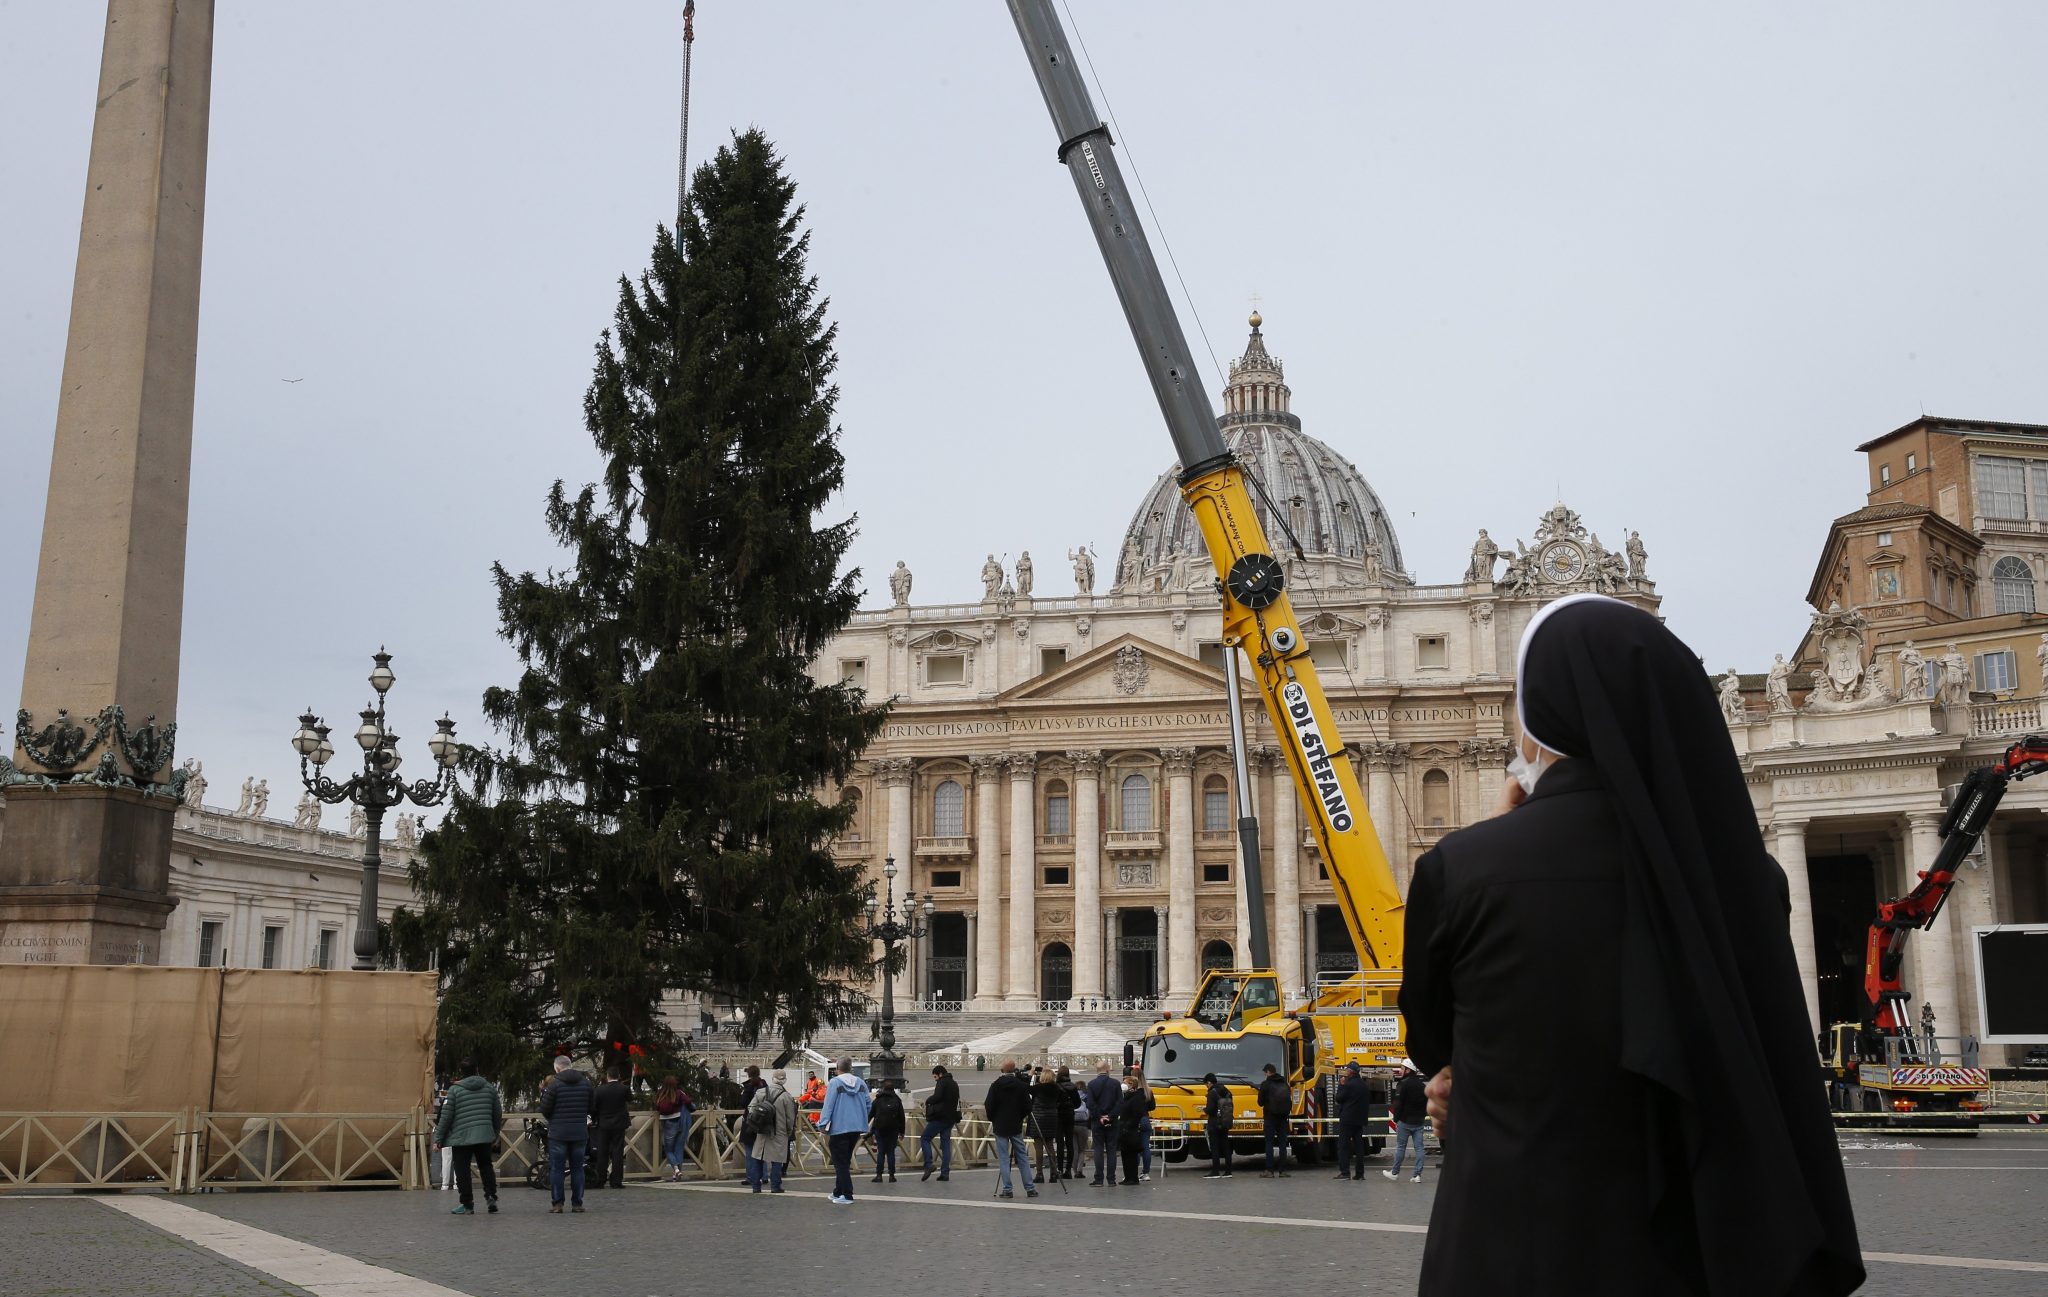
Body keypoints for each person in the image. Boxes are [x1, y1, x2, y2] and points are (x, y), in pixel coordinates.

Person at [1399, 594, 1864, 1295]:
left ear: (1542, 718)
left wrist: (1491, 838)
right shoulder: (1746, 878)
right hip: (1693, 1254)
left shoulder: (1460, 870)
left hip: (1509, 1251)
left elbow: (1433, 1043)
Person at [432, 1058, 503, 1215]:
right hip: (484, 1135)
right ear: (477, 1070)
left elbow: (446, 1117)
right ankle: (491, 1196)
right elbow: (497, 1113)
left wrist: (438, 1139)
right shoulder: (489, 1088)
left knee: (462, 1169)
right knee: (486, 1166)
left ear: (461, 1072)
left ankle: (467, 1204)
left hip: (461, 1137)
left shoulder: (455, 1090)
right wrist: (494, 1133)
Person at [537, 1056, 592, 1214]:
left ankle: (558, 1203)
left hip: (558, 1132)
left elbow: (545, 1109)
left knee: (557, 1169)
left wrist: (555, 1119)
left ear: (557, 1068)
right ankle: (577, 1203)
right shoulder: (585, 1084)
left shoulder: (554, 1085)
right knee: (577, 1169)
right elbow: (591, 1106)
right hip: (579, 1132)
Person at [817, 1057, 872, 1205]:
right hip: (856, 1127)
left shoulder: (835, 1083)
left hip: (839, 1127)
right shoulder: (860, 1082)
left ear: (837, 1069)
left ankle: (847, 1194)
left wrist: (822, 1124)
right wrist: (861, 1117)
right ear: (851, 1068)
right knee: (845, 1160)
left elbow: (828, 1105)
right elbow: (868, 1104)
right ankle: (838, 1191)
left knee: (839, 1162)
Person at [983, 1059, 1038, 1200]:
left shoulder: (995, 1085)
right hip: (1015, 1125)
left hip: (1000, 1125)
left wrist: (993, 1118)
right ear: (1014, 1070)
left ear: (1003, 1070)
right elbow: (1028, 1106)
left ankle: (1007, 1189)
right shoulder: (1020, 1085)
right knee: (1022, 1157)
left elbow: (988, 1105)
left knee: (1003, 1158)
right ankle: (1030, 1188)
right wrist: (1019, 1117)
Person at [743, 1074, 797, 1194]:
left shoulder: (761, 1092)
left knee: (758, 1158)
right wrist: (789, 1131)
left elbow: (750, 1107)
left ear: (773, 1079)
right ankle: (775, 1186)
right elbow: (790, 1118)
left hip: (762, 1130)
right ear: (784, 1081)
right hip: (779, 1131)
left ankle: (756, 1186)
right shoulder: (786, 1096)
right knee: (777, 1160)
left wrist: (758, 1119)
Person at [1383, 1059, 1428, 1184]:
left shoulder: (1403, 1084)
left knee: (1401, 1147)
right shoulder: (1422, 1085)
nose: (1401, 1071)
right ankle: (1417, 1175)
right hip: (1418, 1121)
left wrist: (1396, 1119)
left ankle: (1394, 1173)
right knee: (1419, 1148)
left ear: (1408, 1070)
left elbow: (1398, 1104)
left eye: (1403, 1069)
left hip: (1405, 1121)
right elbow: (1426, 1103)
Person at [587, 1066, 631, 1190]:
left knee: (602, 1152)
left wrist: (594, 1119)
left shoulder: (600, 1090)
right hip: (619, 1124)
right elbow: (630, 1099)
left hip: (604, 1124)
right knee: (617, 1152)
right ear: (618, 1076)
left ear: (608, 1076)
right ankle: (616, 1181)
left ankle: (600, 1179)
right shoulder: (624, 1089)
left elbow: (594, 1107)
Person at [1333, 1062, 1372, 1181]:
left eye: (1347, 1069)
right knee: (1359, 1147)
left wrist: (1341, 1085)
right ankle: (1360, 1173)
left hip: (1347, 1119)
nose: (1345, 1071)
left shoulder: (1349, 1085)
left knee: (1343, 1146)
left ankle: (1345, 1172)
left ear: (1351, 1071)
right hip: (1359, 1120)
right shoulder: (1364, 1085)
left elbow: (1339, 1098)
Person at [1083, 1061, 1121, 1187]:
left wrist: (1100, 1116)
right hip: (1113, 1121)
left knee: (1098, 1149)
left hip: (1097, 1121)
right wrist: (1110, 1116)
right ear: (1108, 1069)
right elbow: (1119, 1103)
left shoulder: (1092, 1084)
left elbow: (1090, 1104)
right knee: (1111, 1150)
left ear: (1096, 1070)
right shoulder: (1115, 1084)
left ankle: (1099, 1179)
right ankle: (1111, 1179)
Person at [921, 1063, 960, 1181]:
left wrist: (928, 1100)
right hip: (951, 1118)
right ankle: (945, 1173)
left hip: (940, 1117)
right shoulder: (954, 1083)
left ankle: (928, 1164)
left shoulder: (942, 1082)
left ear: (940, 1074)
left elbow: (937, 1097)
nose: (935, 1079)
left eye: (935, 1077)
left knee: (925, 1138)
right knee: (945, 1144)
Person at [653, 1075, 694, 1183]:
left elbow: (656, 1106)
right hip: (680, 1122)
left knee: (669, 1150)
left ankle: (676, 1169)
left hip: (668, 1123)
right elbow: (688, 1101)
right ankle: (677, 1174)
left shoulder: (660, 1093)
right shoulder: (678, 1093)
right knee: (679, 1148)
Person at [1028, 1065, 1065, 1181]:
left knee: (1038, 1146)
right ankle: (1054, 1173)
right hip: (1051, 1118)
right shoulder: (1057, 1089)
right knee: (1050, 1146)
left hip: (1038, 1118)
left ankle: (1039, 1173)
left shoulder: (1038, 1088)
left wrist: (1030, 1076)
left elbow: (1026, 1089)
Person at [1256, 1063, 1292, 1177]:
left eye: (1264, 1073)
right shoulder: (1284, 1082)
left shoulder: (1265, 1084)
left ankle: (1269, 1170)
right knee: (1282, 1143)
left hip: (1270, 1117)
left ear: (1267, 1072)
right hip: (1283, 1117)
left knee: (1269, 1143)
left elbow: (1260, 1102)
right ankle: (1283, 1170)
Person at [1112, 1072, 1148, 1185]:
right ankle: (1128, 1177)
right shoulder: (1126, 1097)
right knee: (1125, 1155)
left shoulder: (1136, 1097)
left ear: (1132, 1084)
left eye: (1125, 1083)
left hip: (1130, 1130)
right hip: (1124, 1130)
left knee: (1131, 1155)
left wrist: (1128, 1125)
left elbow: (1138, 1114)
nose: (1123, 1085)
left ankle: (1133, 1177)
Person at [869, 1076, 906, 1182]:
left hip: (880, 1129)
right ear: (893, 1089)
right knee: (891, 1152)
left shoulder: (878, 1099)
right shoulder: (897, 1100)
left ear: (883, 1088)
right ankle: (891, 1175)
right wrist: (902, 1131)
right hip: (893, 1130)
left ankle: (879, 1175)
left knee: (881, 1152)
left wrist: (864, 1126)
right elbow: (901, 1117)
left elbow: (871, 1114)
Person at [1202, 1072, 1235, 1179]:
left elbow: (1211, 1109)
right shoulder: (1226, 1090)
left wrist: (1204, 1110)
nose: (1206, 1086)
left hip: (1214, 1123)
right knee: (1226, 1146)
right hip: (1225, 1121)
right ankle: (1228, 1171)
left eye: (1206, 1084)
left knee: (1215, 1147)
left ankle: (1215, 1171)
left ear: (1209, 1082)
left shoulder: (1212, 1092)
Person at [1054, 1065, 1083, 1179]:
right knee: (1069, 1142)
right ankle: (1068, 1169)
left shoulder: (1056, 1086)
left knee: (1060, 1142)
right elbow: (1078, 1103)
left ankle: (1060, 1169)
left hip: (1058, 1115)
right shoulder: (1073, 1086)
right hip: (1070, 1115)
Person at [1131, 1069, 1157, 1181]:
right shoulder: (1148, 1090)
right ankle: (1146, 1173)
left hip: (1135, 1120)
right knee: (1146, 1147)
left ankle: (1133, 1172)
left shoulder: (1133, 1091)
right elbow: (1152, 1106)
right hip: (1146, 1119)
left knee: (1135, 1147)